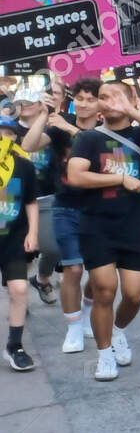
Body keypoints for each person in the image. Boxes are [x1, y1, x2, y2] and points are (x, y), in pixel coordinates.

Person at [65, 81, 140, 382]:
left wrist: (131, 110)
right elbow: (76, 175)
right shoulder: (88, 138)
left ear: (129, 101)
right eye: (102, 97)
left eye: (114, 96)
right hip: (97, 226)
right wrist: (119, 179)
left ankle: (118, 330)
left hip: (133, 226)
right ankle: (104, 357)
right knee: (104, 290)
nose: (107, 101)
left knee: (135, 295)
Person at [29, 77, 100, 354]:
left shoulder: (107, 127)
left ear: (99, 103)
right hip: (65, 207)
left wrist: (69, 127)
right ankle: (73, 328)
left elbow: (95, 147)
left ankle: (87, 311)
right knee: (72, 268)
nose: (83, 104)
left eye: (90, 99)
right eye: (79, 98)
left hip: (100, 209)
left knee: (99, 273)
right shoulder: (58, 126)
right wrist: (44, 115)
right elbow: (29, 145)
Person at [0, 115, 40, 371]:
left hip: (13, 237)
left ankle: (15, 346)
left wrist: (33, 233)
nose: (3, 137)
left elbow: (30, 202)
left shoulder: (23, 166)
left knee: (20, 290)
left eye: (9, 133)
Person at [13, 87, 58, 306]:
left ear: (42, 104)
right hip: (13, 200)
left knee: (52, 248)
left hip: (46, 197)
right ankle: (19, 302)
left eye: (32, 99)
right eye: (21, 99)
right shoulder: (6, 128)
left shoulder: (52, 130)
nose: (25, 103)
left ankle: (42, 278)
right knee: (18, 256)